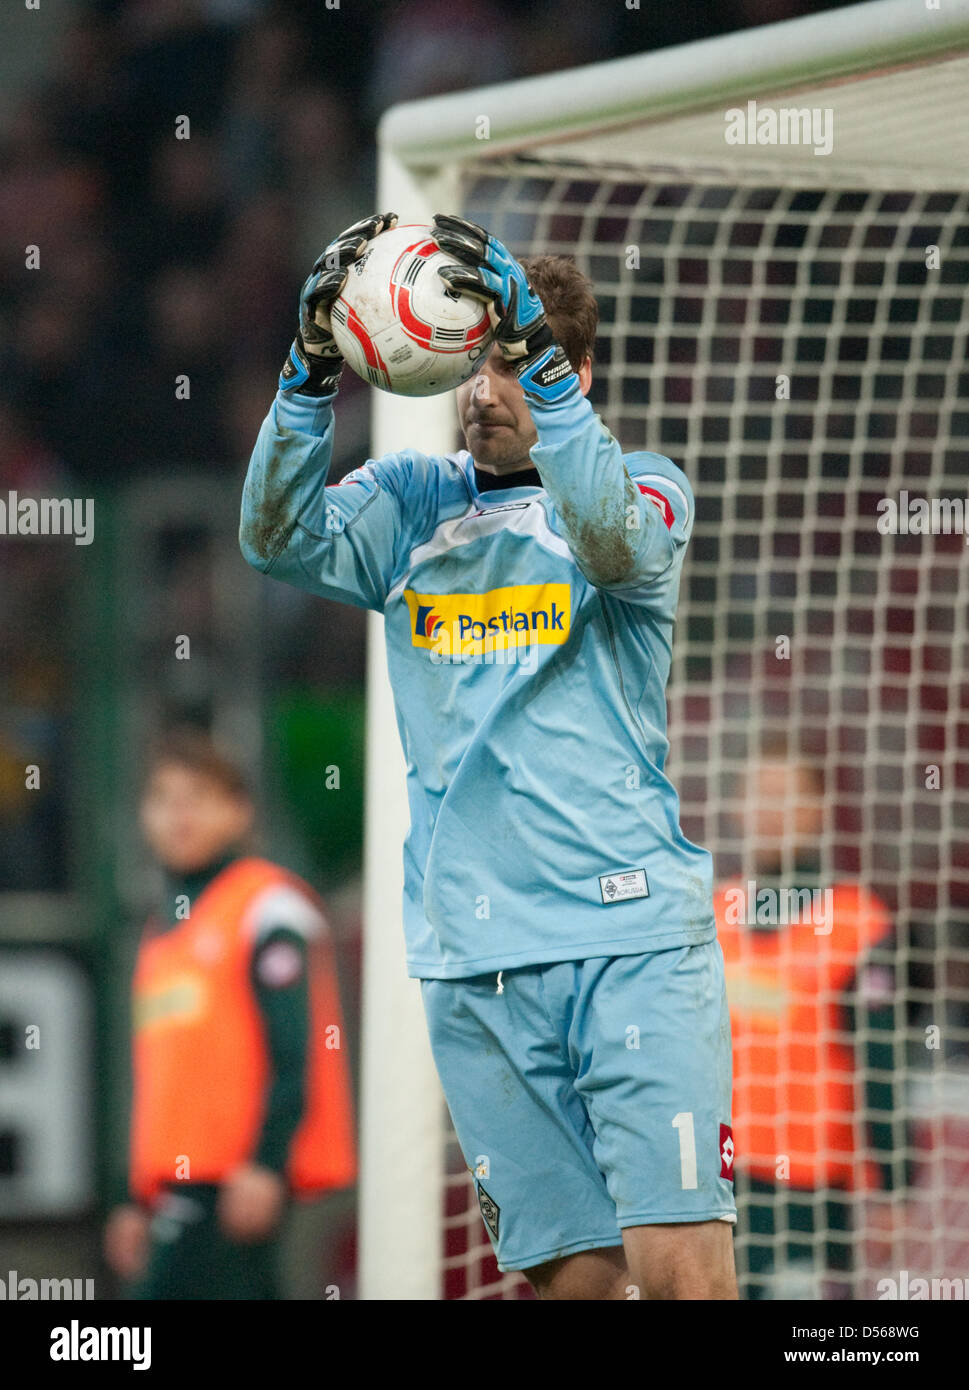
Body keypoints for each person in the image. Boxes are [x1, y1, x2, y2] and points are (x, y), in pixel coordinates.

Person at [240, 213, 737, 1299]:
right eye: (476, 365)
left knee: (680, 1265)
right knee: (573, 1280)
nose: (483, 391)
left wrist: (540, 368)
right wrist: (306, 379)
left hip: (630, 938)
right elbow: (273, 539)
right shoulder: (413, 502)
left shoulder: (645, 486)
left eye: (512, 365)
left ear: (572, 370)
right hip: (476, 957)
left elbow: (612, 541)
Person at [103, 730, 355, 1300]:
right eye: (162, 797)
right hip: (174, 1188)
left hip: (231, 1184)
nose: (178, 813)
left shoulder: (266, 906)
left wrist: (266, 1165)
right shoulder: (160, 932)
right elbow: (155, 1084)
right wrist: (130, 1197)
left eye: (198, 795)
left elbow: (297, 1050)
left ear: (239, 812)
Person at [716, 748, 909, 1298]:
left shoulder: (855, 919)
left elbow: (881, 1059)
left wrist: (895, 1182)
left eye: (785, 794)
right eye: (758, 793)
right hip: (720, 1175)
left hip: (811, 1185)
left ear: (818, 809)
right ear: (736, 806)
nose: (769, 810)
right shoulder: (712, 910)